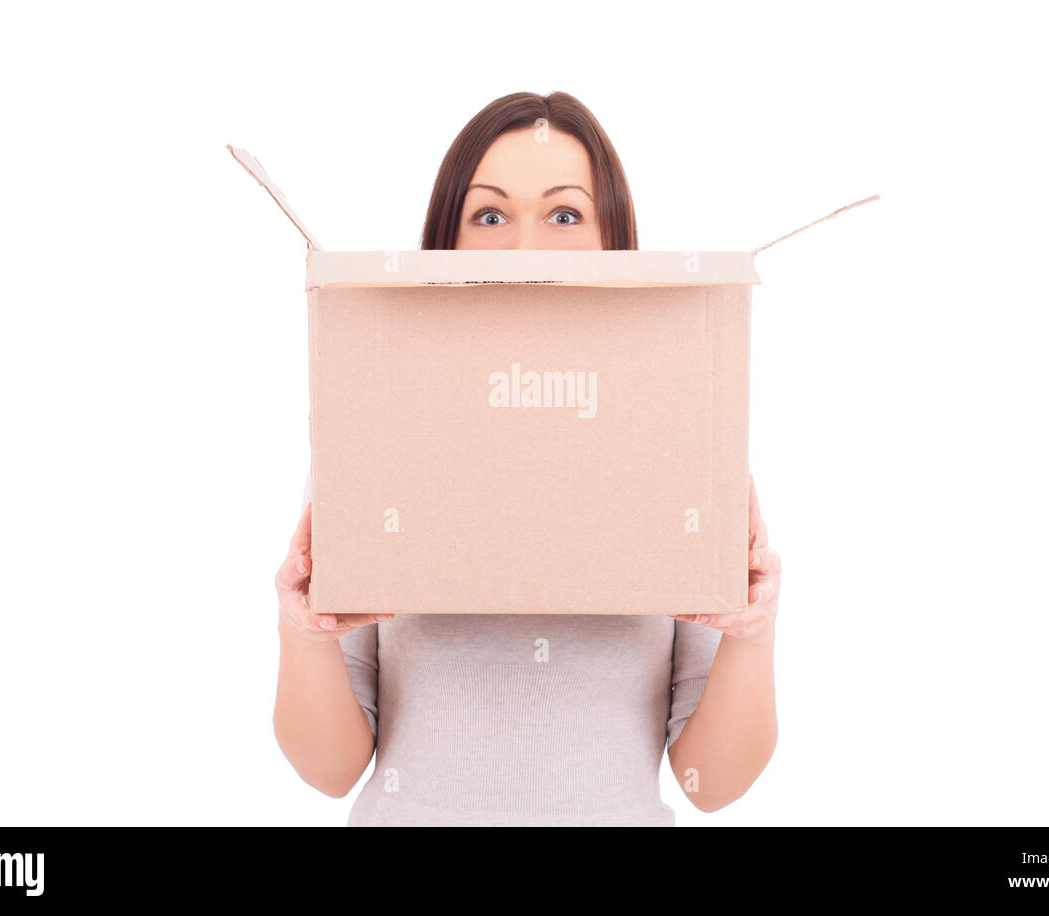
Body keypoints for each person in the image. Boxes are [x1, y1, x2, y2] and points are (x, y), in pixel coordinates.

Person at [272, 91, 780, 825]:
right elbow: (330, 770)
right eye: (489, 214)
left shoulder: (683, 439)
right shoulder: (380, 431)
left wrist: (754, 633)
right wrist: (302, 633)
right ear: (445, 242)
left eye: (566, 214)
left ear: (615, 243)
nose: (526, 245)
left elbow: (712, 784)